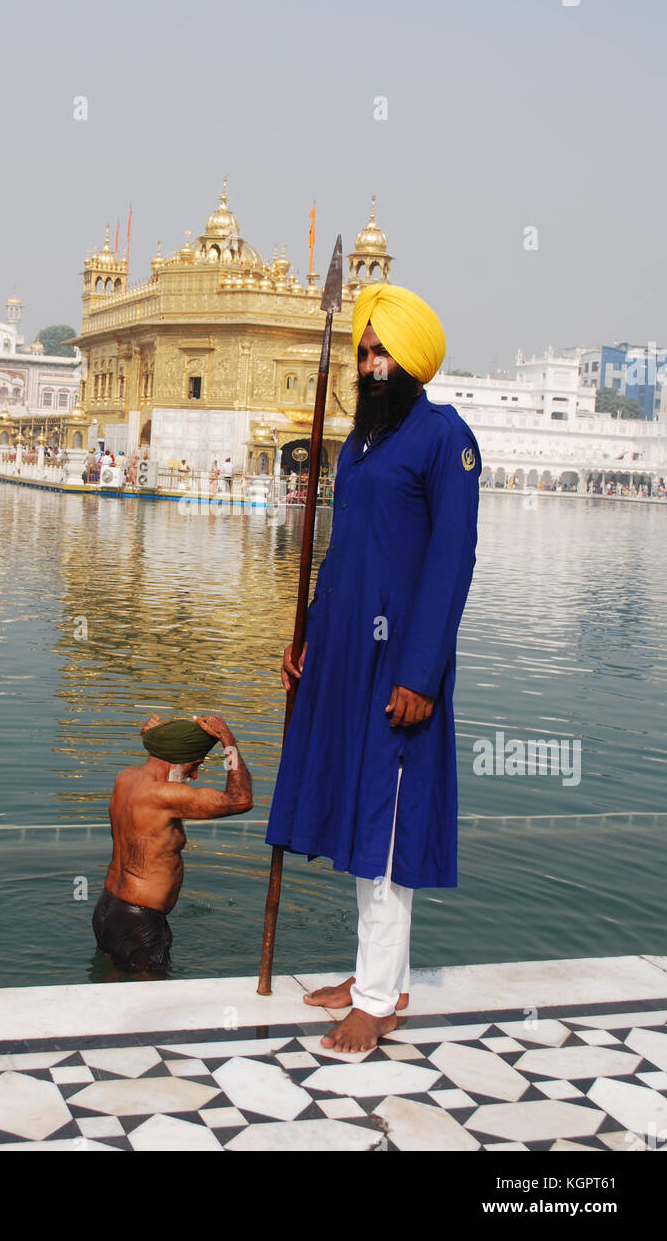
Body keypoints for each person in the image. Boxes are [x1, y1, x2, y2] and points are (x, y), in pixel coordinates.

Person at [265, 282, 481, 1054]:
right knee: (362, 812)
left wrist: (420, 675)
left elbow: (452, 562)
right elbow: (342, 555)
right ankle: (370, 978)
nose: (371, 360)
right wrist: (313, 639)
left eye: (384, 349)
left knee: (388, 822)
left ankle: (379, 998)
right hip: (346, 656)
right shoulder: (360, 446)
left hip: (400, 667)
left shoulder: (443, 437)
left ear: (416, 359)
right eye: (364, 350)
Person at [93, 714, 252, 977]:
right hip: (140, 922)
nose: (194, 774)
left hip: (108, 909)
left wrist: (160, 737)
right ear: (177, 759)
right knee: (155, 1003)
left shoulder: (125, 779)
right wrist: (228, 740)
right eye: (194, 765)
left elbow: (163, 763)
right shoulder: (164, 796)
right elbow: (241, 799)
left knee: (112, 994)